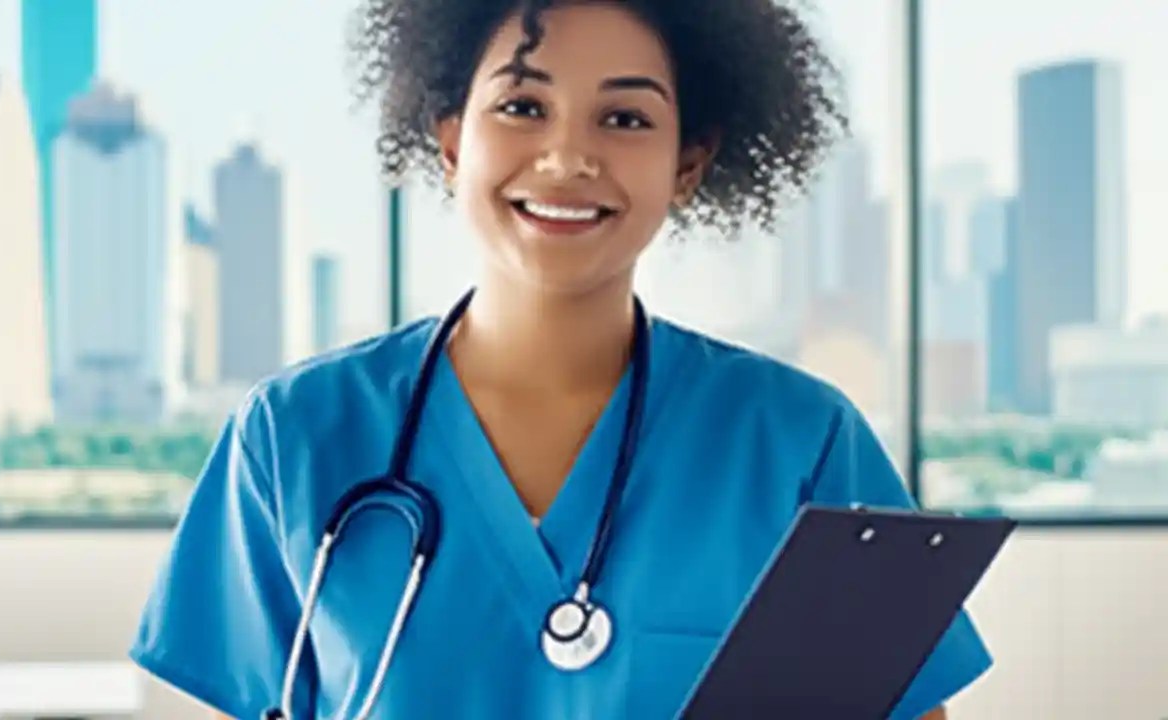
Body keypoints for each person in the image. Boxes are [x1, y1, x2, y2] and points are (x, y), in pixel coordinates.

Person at [129, 1, 992, 718]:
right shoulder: (294, 436)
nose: (569, 157)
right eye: (522, 106)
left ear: (688, 163)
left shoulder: (802, 444)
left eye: (625, 118)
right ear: (452, 139)